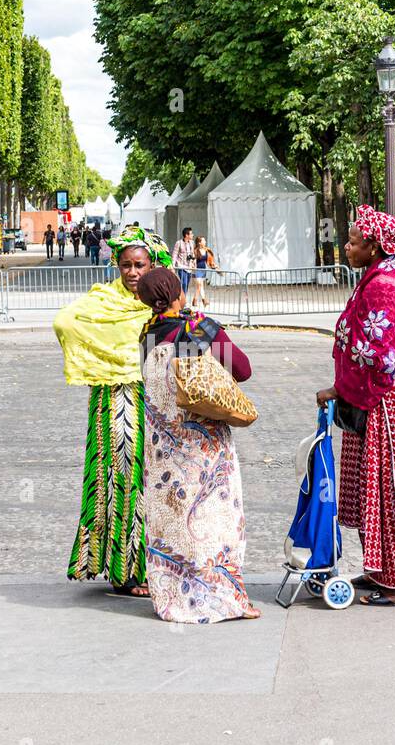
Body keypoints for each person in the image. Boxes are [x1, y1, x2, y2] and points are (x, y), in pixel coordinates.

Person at [315, 205, 395, 607]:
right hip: (384, 391)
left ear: (372, 246)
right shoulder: (384, 272)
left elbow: (377, 350)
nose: (346, 248)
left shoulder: (388, 284)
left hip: (393, 392)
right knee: (372, 486)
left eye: (352, 242)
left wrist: (340, 388)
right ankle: (380, 571)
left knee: (392, 490)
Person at [135, 267, 259, 623]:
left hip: (163, 449)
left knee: (172, 523)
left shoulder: (147, 333)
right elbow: (243, 368)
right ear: (177, 292)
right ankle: (223, 599)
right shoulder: (197, 329)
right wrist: (209, 328)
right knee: (214, 520)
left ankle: (174, 597)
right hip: (203, 448)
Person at [54, 228, 170, 597]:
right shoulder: (102, 298)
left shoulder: (159, 302)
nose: (133, 272)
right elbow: (65, 323)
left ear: (153, 265)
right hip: (113, 402)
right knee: (120, 477)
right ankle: (125, 572)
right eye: (125, 266)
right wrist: (107, 359)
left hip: (153, 401)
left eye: (139, 265)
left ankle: (149, 565)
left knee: (153, 482)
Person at [192, 236, 219, 309]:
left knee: (200, 286)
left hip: (203, 270)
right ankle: (203, 300)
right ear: (199, 242)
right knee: (199, 285)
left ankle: (196, 300)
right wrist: (192, 265)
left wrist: (214, 266)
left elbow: (210, 261)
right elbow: (192, 260)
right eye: (203, 241)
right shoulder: (195, 250)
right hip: (196, 270)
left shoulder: (206, 250)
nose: (205, 242)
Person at [173, 227, 196, 294]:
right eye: (191, 234)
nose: (193, 235)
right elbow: (175, 254)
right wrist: (173, 265)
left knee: (187, 284)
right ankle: (182, 300)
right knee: (184, 283)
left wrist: (194, 262)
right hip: (181, 266)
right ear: (186, 235)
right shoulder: (178, 243)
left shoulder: (192, 243)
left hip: (189, 267)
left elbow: (193, 253)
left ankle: (183, 298)